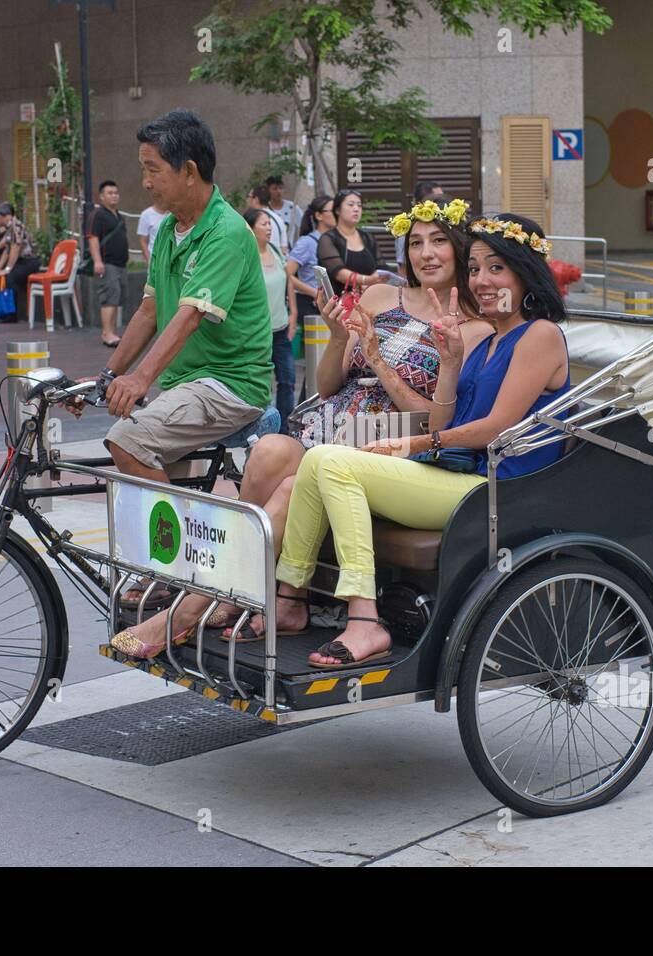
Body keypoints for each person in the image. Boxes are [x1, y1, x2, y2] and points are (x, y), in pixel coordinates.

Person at [109, 198, 483, 659]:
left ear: (460, 249)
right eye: (417, 243)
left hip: (391, 441)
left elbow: (435, 421)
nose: (426, 253)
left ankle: (197, 606)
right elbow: (327, 386)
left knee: (290, 485)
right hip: (331, 422)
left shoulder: (474, 326)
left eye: (439, 242)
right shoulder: (381, 295)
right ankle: (239, 590)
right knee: (267, 449)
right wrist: (342, 339)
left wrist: (380, 361)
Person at [271, 213, 570, 669]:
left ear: (524, 273)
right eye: (474, 269)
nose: (482, 281)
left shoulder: (540, 335)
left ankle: (364, 619)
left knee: (333, 461)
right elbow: (444, 415)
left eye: (496, 268)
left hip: (493, 487)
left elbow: (495, 427)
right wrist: (449, 364)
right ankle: (287, 597)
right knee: (319, 460)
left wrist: (414, 445)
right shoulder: (488, 339)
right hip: (457, 472)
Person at [101, 109, 273, 654]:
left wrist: (140, 379)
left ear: (189, 169)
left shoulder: (224, 231)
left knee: (128, 440)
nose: (145, 181)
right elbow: (150, 311)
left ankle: (191, 574)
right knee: (141, 457)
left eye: (153, 169)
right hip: (186, 383)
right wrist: (108, 376)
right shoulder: (172, 232)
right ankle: (168, 564)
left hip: (230, 384)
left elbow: (190, 316)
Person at [244, 208, 299, 424]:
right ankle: (261, 429)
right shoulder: (246, 256)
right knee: (261, 385)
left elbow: (289, 282)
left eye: (270, 224)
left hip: (281, 328)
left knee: (288, 380)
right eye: (263, 224)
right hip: (257, 332)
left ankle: (285, 428)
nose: (268, 228)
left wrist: (293, 313)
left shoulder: (276, 251)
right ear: (250, 227)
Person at [317, 189, 389, 294]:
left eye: (359, 205)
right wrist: (367, 280)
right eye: (351, 205)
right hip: (340, 304)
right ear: (337, 210)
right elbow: (340, 274)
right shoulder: (327, 239)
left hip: (370, 301)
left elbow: (382, 267)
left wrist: (372, 282)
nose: (356, 209)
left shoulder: (367, 237)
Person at [87, 179, 129, 347]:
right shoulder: (98, 214)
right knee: (109, 297)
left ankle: (112, 331)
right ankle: (107, 333)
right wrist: (97, 261)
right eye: (110, 193)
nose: (114, 196)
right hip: (107, 263)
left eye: (116, 193)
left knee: (117, 297)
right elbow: (93, 238)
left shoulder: (118, 216)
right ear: (101, 196)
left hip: (121, 264)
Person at [0, 202, 41, 324]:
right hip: (21, 261)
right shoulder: (9, 228)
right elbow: (7, 251)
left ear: (2, 216)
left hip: (30, 262)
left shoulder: (16, 227)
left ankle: (11, 315)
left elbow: (15, 250)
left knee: (10, 277)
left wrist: (7, 269)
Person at [286, 193, 335, 321]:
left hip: (332, 303)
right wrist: (314, 293)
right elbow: (288, 274)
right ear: (319, 216)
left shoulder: (337, 240)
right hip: (310, 305)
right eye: (332, 210)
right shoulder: (307, 242)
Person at [396, 180, 444, 273]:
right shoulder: (406, 228)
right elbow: (403, 269)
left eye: (439, 240)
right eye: (416, 243)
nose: (426, 254)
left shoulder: (449, 224)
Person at [265, 174, 300, 251]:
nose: (279, 191)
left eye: (281, 188)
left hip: (288, 252)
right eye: (275, 189)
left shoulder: (293, 208)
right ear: (268, 190)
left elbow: (302, 227)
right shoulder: (265, 210)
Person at [136, 196, 168, 262]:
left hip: (170, 258)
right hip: (154, 259)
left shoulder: (172, 214)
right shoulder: (146, 214)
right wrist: (149, 261)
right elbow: (143, 241)